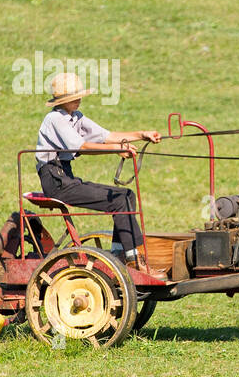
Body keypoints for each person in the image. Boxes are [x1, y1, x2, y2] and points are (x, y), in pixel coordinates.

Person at [34, 72, 162, 268]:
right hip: (55, 181)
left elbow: (107, 136)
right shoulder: (55, 119)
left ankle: (122, 254)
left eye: (79, 96)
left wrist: (142, 135)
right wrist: (116, 150)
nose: (78, 100)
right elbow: (81, 146)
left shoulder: (75, 117)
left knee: (127, 195)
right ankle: (133, 259)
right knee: (119, 200)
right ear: (61, 101)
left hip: (65, 177)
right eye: (73, 98)